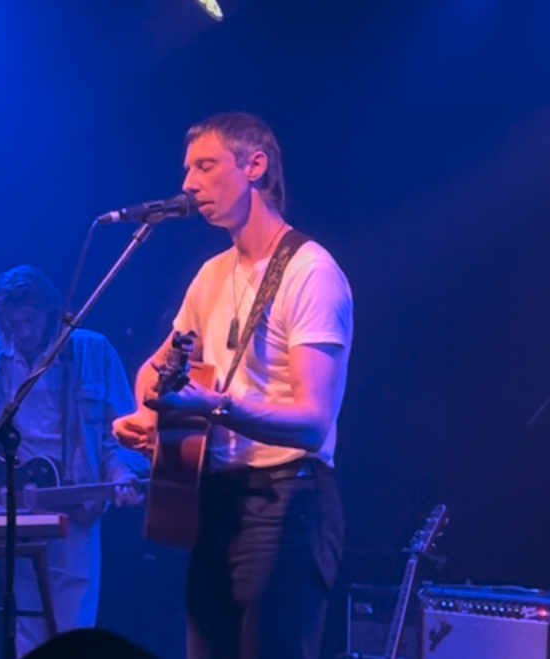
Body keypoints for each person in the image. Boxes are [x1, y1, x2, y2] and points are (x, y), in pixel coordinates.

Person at [113, 112, 352, 659]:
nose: (188, 184)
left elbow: (313, 422)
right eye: (187, 169)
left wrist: (216, 407)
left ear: (254, 166)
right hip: (216, 499)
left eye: (205, 166)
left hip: (287, 498)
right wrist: (147, 415)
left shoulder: (310, 272)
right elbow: (156, 366)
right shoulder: (212, 274)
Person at [0, 264, 147, 656]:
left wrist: (122, 472)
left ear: (50, 311)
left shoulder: (92, 351)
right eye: (12, 323)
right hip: (10, 511)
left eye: (30, 320)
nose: (23, 332)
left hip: (75, 511)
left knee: (73, 632)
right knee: (25, 632)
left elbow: (123, 431)